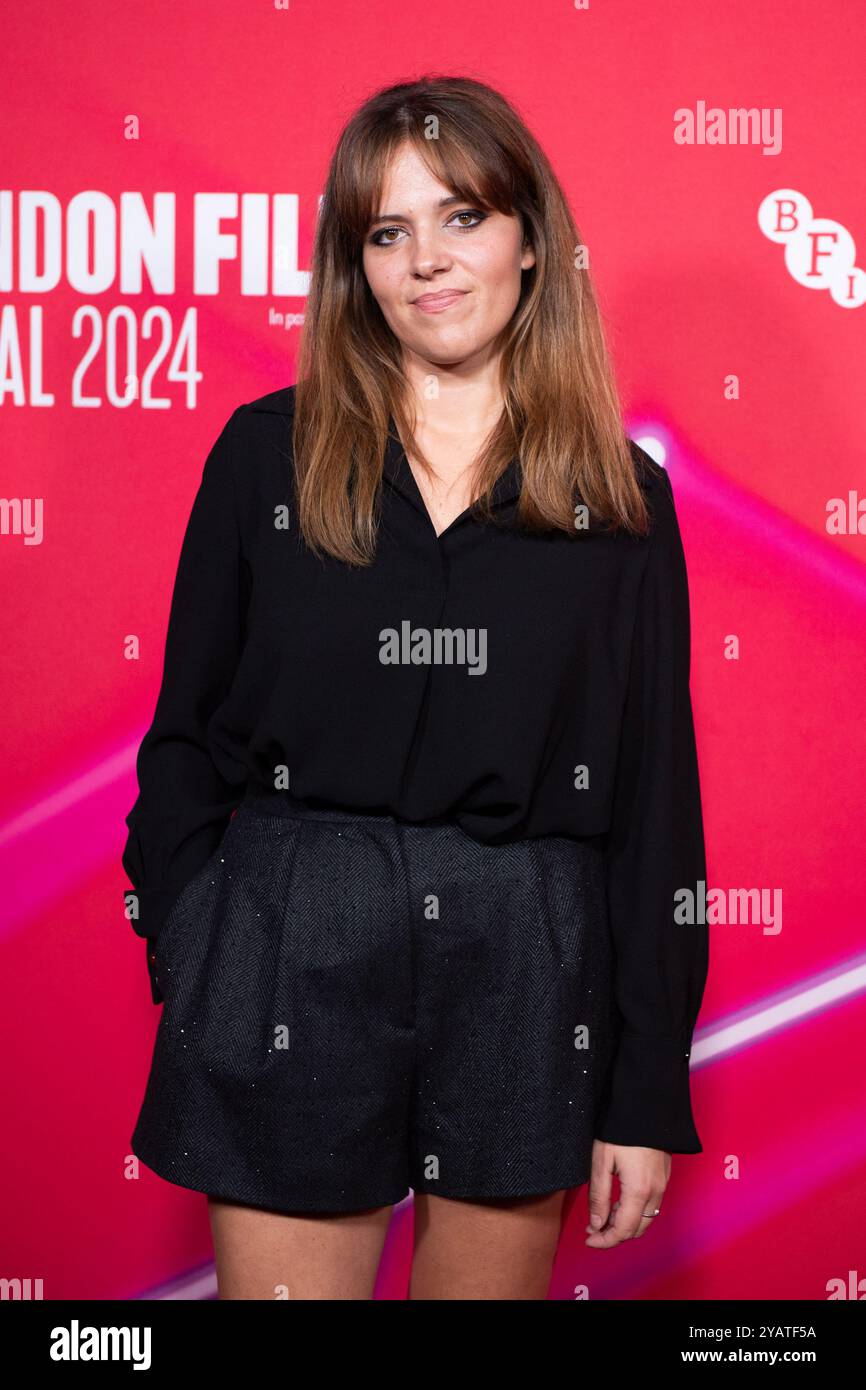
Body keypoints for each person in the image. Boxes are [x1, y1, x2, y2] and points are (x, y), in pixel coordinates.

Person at [121, 75, 709, 1301]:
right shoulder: (260, 456)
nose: (426, 262)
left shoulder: (621, 504)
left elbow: (655, 806)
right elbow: (184, 738)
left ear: (531, 239)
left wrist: (645, 1090)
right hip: (295, 932)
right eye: (386, 232)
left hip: (522, 959)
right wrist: (202, 938)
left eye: (461, 218)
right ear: (355, 266)